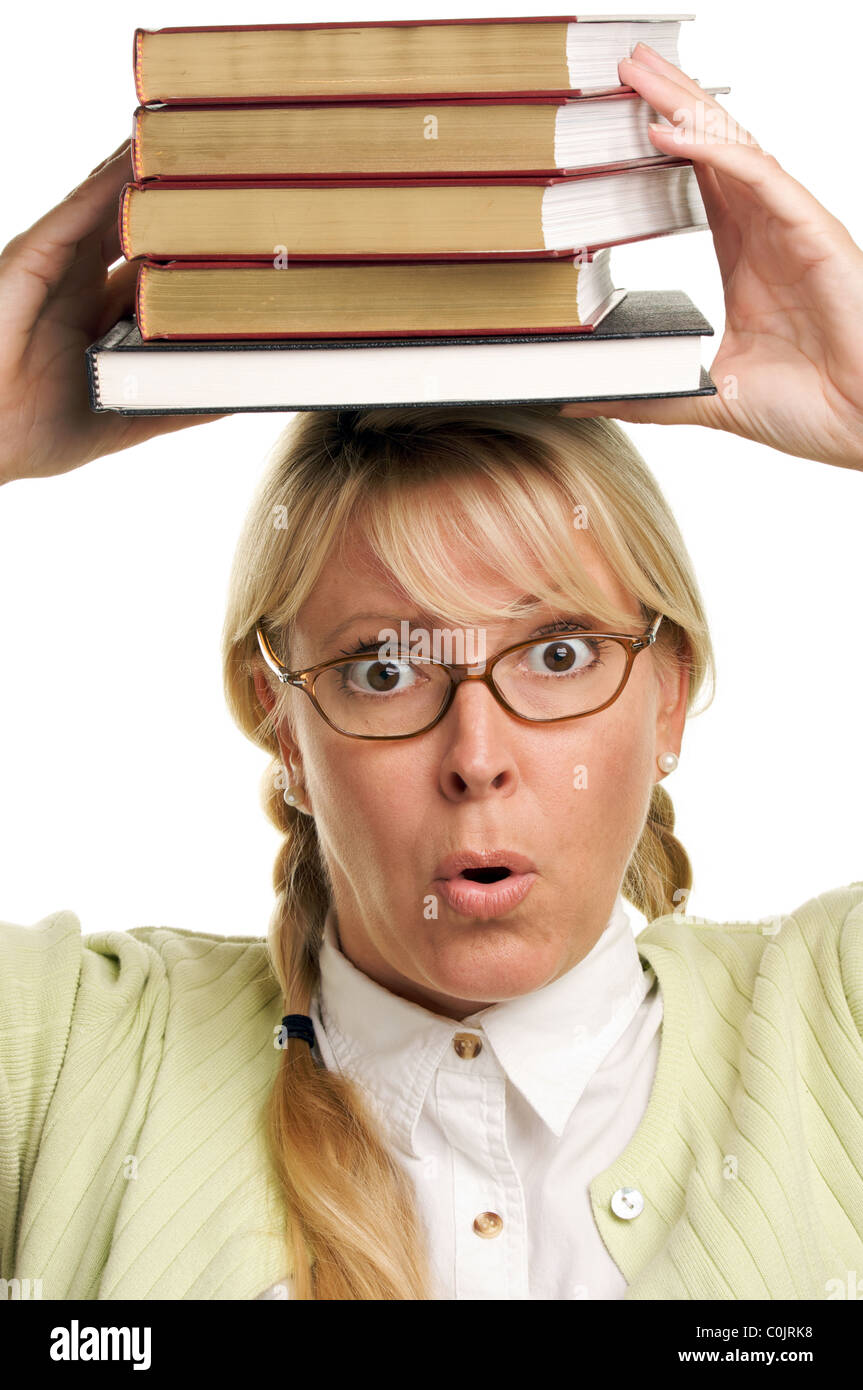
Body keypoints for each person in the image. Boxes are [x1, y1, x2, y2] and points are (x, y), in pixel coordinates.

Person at [0, 44, 861, 1302]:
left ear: (667, 694)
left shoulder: (830, 1033)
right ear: (278, 723)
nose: (475, 756)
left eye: (558, 654)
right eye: (383, 668)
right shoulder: (66, 1057)